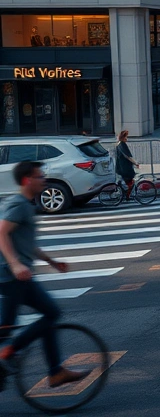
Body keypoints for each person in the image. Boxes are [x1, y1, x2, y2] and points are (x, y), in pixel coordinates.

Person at [0, 161, 88, 388]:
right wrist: (16, 264)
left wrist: (52, 261)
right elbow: (1, 233)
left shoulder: (25, 205)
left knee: (20, 323)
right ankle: (10, 353)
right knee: (48, 315)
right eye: (40, 176)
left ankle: (54, 371)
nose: (44, 180)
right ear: (28, 180)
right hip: (10, 276)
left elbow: (27, 244)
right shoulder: (18, 204)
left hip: (16, 276)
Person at [115, 130, 141, 198]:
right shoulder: (122, 145)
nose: (127, 138)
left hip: (121, 166)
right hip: (124, 167)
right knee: (130, 179)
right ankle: (127, 194)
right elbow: (127, 156)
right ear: (123, 138)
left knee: (129, 181)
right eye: (126, 137)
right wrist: (135, 163)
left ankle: (127, 194)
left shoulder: (119, 144)